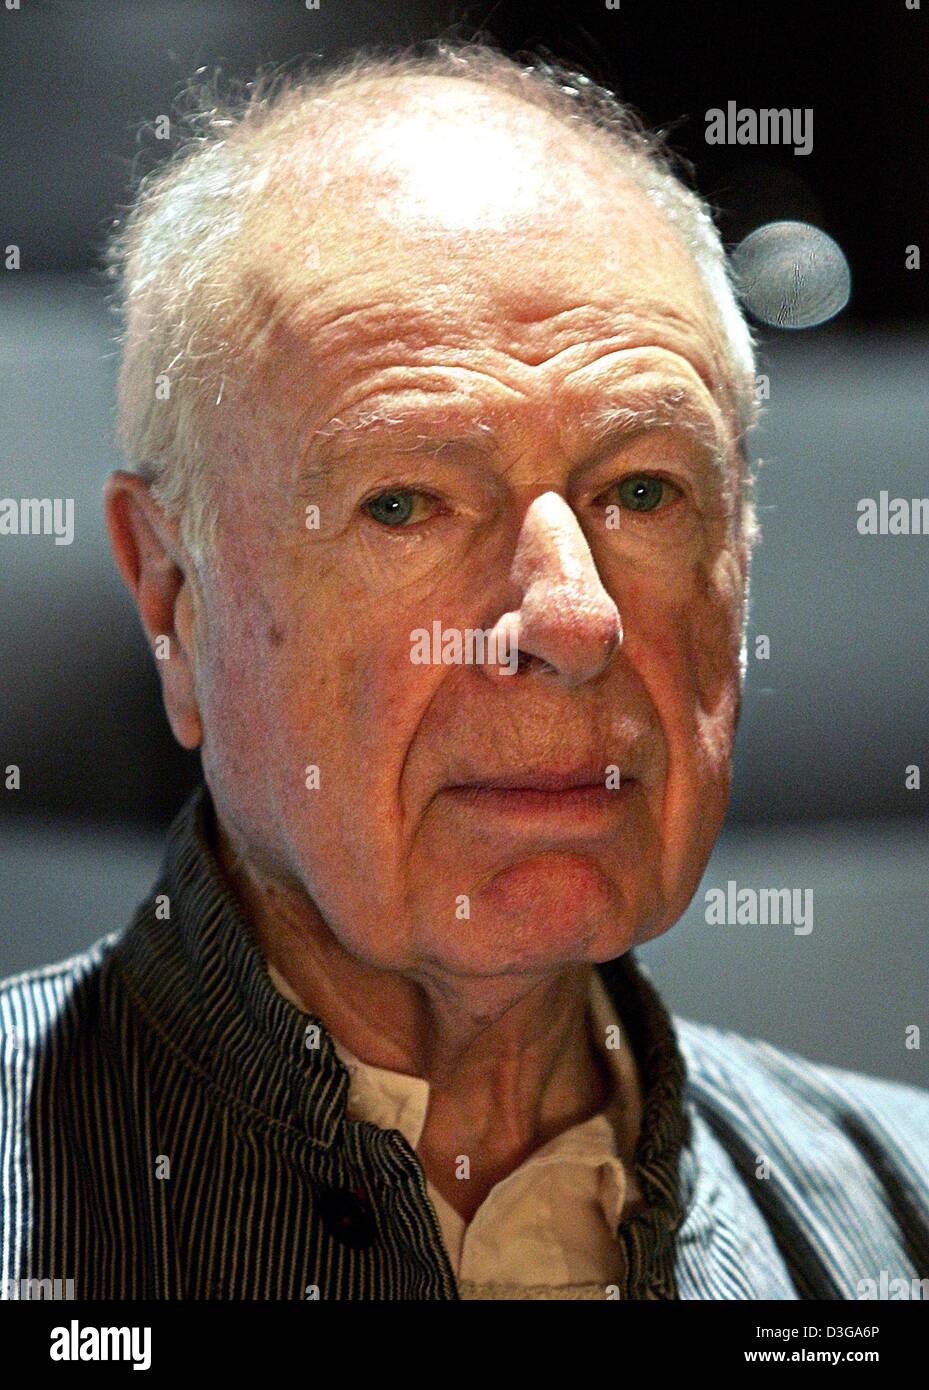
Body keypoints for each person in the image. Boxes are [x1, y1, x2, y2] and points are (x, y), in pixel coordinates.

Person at [1, 41, 927, 1301]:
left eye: (643, 491)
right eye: (407, 504)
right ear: (174, 599)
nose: (570, 616)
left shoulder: (898, 1222)